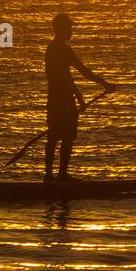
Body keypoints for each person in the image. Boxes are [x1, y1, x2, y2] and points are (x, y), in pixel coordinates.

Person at [44, 12, 115, 182]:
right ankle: (60, 175)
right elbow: (84, 72)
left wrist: (79, 96)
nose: (71, 30)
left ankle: (50, 175)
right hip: (63, 102)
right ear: (61, 29)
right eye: (69, 27)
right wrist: (105, 84)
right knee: (65, 137)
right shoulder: (63, 50)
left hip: (55, 99)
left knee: (54, 136)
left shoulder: (51, 49)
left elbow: (64, 76)